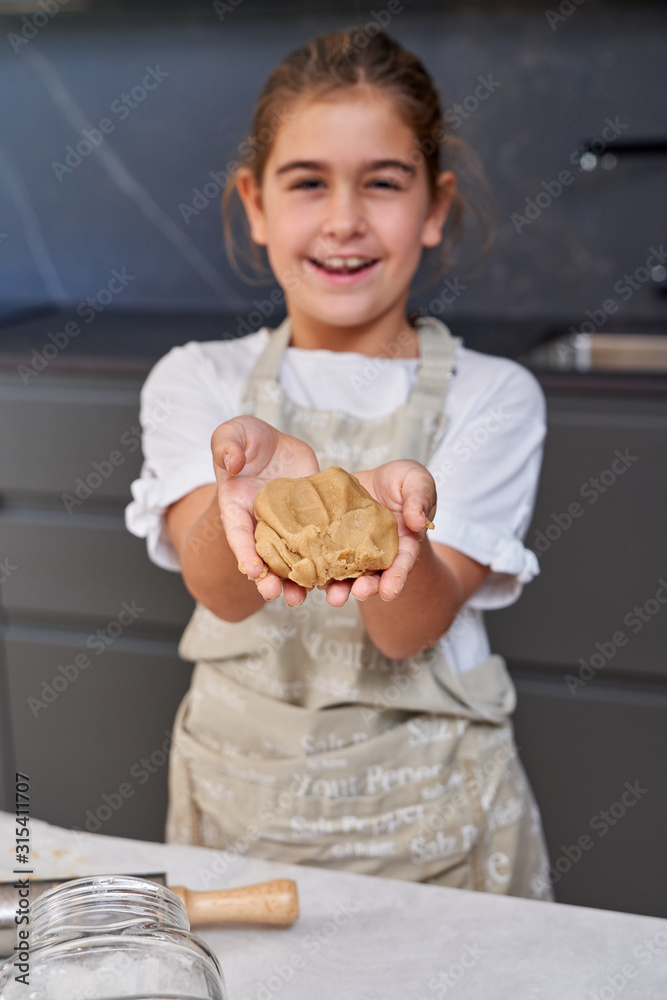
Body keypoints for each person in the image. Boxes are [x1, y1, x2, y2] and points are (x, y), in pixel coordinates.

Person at [126, 28, 553, 900]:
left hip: (436, 836)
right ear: (254, 203)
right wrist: (241, 492)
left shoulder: (494, 397)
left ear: (434, 207)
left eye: (383, 184)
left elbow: (406, 632)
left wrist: (400, 534)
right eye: (307, 182)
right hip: (240, 826)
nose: (344, 219)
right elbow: (225, 589)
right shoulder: (194, 381)